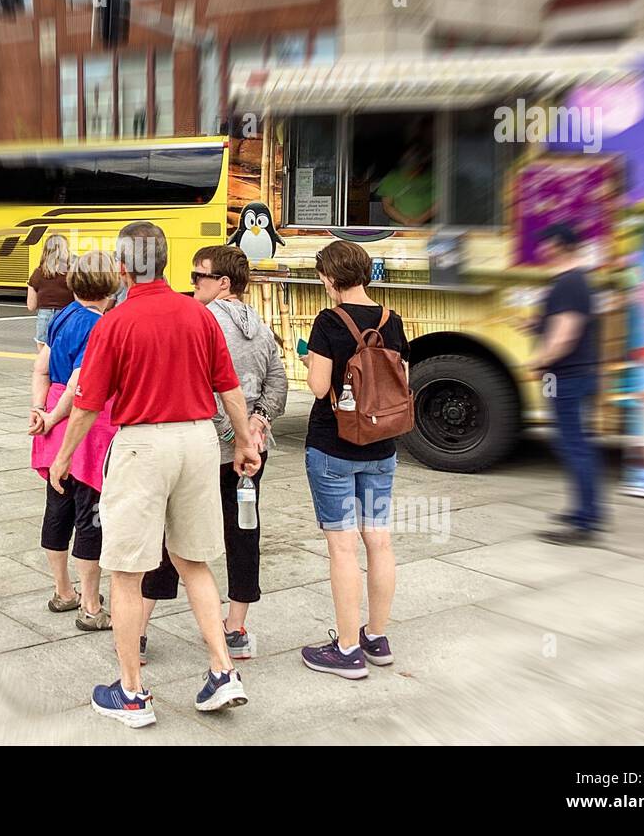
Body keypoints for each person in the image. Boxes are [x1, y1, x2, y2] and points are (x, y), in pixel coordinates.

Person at [49, 221, 261, 728]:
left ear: (122, 268)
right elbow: (229, 388)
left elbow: (87, 404)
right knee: (194, 562)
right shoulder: (199, 314)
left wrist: (61, 458)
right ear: (167, 262)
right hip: (198, 442)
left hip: (143, 445)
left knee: (125, 571)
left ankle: (132, 692)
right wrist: (246, 443)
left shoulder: (114, 324)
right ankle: (222, 670)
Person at [140, 244, 287, 663]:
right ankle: (236, 627)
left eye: (198, 277)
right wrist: (258, 424)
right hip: (253, 452)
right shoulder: (260, 324)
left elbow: (202, 384)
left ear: (223, 282)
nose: (192, 284)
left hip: (208, 446)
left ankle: (140, 629)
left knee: (172, 532)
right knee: (244, 532)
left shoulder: (201, 321)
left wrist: (233, 433)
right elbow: (277, 380)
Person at [300, 239, 410, 679]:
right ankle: (376, 637)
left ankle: (346, 650)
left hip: (334, 447)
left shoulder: (329, 320)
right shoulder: (392, 319)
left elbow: (317, 386)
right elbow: (401, 377)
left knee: (342, 546)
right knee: (378, 539)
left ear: (330, 278)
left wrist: (309, 359)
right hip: (382, 446)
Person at [29, 250, 121, 632]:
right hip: (84, 429)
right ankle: (91, 604)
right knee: (90, 515)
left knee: (57, 507)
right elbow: (81, 385)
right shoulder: (98, 326)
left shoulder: (61, 315)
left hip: (53, 425)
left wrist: (39, 410)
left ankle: (62, 590)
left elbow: (42, 368)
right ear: (111, 284)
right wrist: (55, 416)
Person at [530, 223, 602, 544]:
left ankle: (585, 521)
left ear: (558, 245)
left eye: (546, 243)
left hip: (567, 377)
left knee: (574, 446)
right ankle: (583, 511)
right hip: (579, 375)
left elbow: (566, 333)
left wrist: (539, 360)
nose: (543, 249)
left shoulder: (569, 283)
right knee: (577, 444)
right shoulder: (579, 280)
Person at [27, 233, 72, 350]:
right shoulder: (72, 273)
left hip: (45, 317)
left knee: (44, 357)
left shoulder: (37, 273)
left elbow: (31, 306)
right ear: (66, 251)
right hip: (67, 316)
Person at [376, 141, 436, 226]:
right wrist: (407, 221)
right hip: (399, 230)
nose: (413, 159)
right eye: (410, 156)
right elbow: (387, 206)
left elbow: (439, 204)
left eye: (418, 156)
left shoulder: (432, 178)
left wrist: (419, 221)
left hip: (428, 229)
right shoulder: (392, 178)